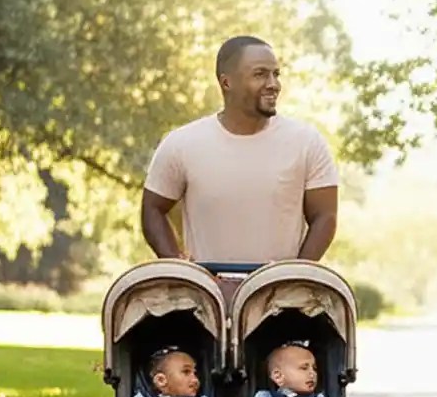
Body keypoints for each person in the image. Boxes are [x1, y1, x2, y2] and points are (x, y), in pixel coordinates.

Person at [141, 35, 340, 297]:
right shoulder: (182, 143)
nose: (273, 84)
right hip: (205, 299)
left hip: (280, 300)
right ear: (227, 82)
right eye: (260, 75)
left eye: (276, 74)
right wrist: (183, 271)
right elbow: (152, 209)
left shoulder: (307, 142)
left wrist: (292, 279)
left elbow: (325, 217)